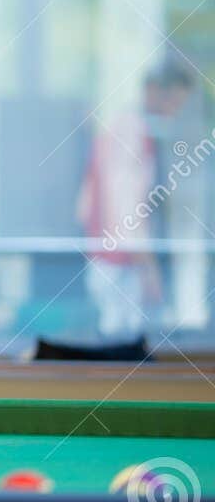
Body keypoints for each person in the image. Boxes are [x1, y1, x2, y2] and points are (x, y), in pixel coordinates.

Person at [75, 61, 200, 341]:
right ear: (153, 91)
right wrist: (147, 266)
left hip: (117, 258)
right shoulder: (129, 131)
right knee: (124, 347)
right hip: (121, 262)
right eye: (173, 102)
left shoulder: (129, 128)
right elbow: (125, 207)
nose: (174, 112)